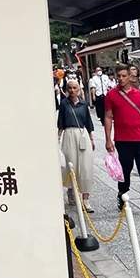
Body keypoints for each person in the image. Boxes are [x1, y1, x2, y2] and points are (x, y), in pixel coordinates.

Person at [104, 66, 140, 219]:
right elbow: (108, 117)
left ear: (130, 76)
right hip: (122, 140)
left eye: (124, 76)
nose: (121, 78)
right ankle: (122, 194)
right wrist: (108, 139)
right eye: (119, 76)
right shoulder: (111, 95)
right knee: (125, 171)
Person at [57, 78, 96, 212]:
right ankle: (71, 191)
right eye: (70, 88)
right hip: (69, 134)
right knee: (71, 164)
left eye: (75, 88)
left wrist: (91, 138)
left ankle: (86, 199)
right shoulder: (64, 104)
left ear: (79, 89)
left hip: (82, 135)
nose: (72, 90)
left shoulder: (84, 104)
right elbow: (60, 123)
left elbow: (88, 122)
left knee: (85, 166)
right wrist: (58, 138)